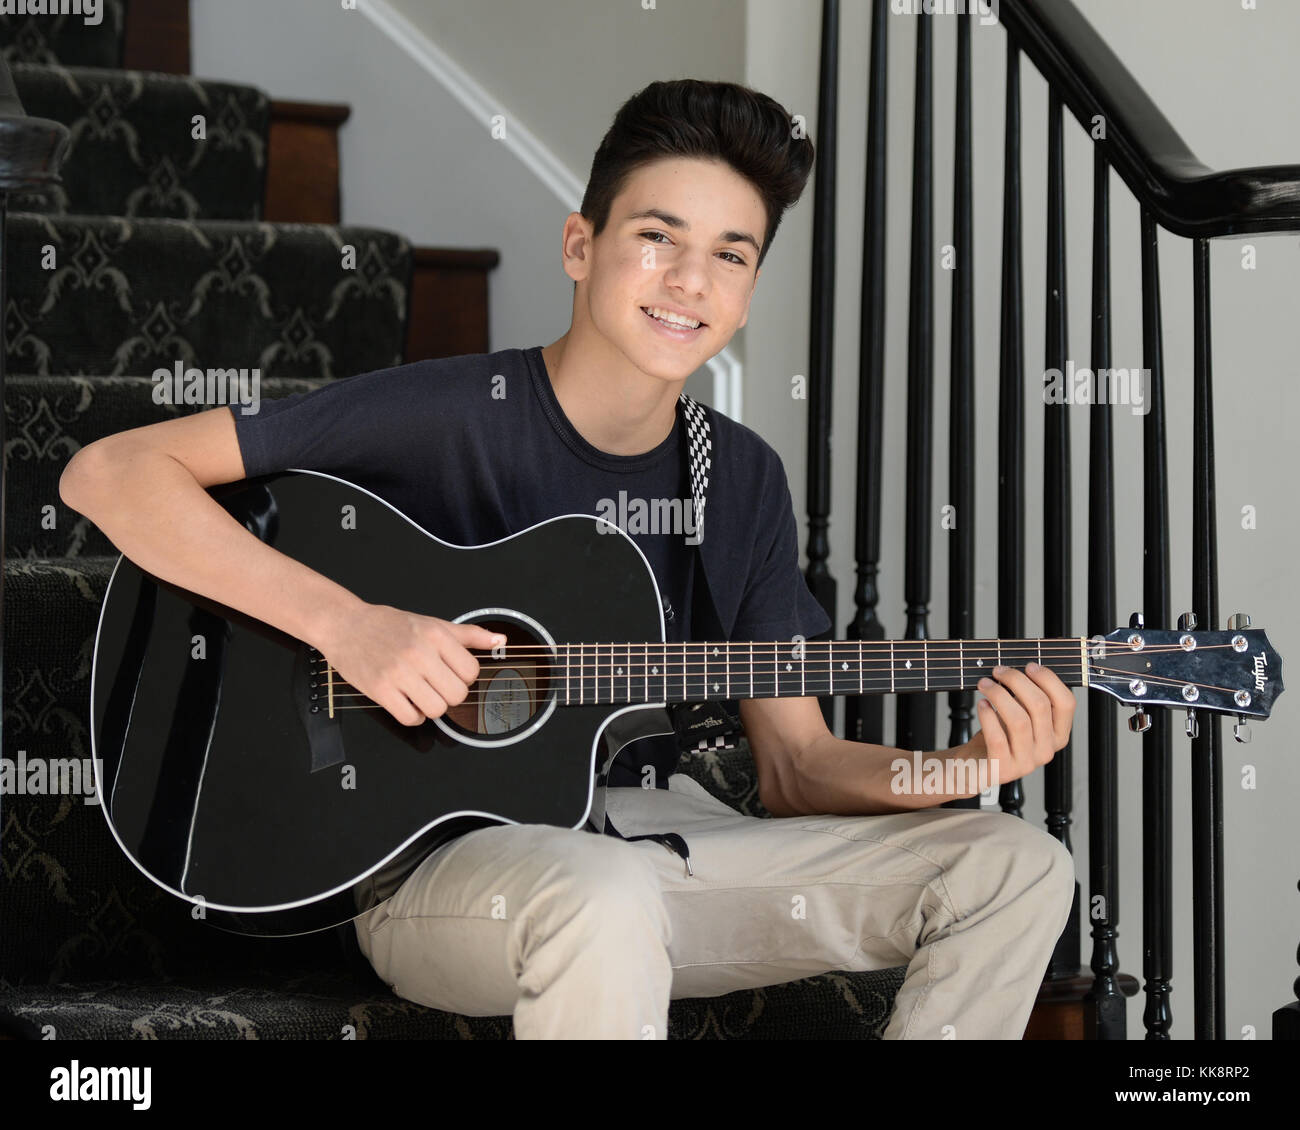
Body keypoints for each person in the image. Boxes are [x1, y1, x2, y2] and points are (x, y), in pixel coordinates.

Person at [60, 78, 1076, 1040]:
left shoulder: (742, 480)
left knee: (1017, 863)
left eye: (731, 254)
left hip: (660, 842)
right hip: (446, 871)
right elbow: (111, 474)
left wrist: (965, 764)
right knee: (605, 891)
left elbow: (796, 765)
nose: (690, 280)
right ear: (580, 246)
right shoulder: (446, 413)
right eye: (657, 237)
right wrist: (350, 624)